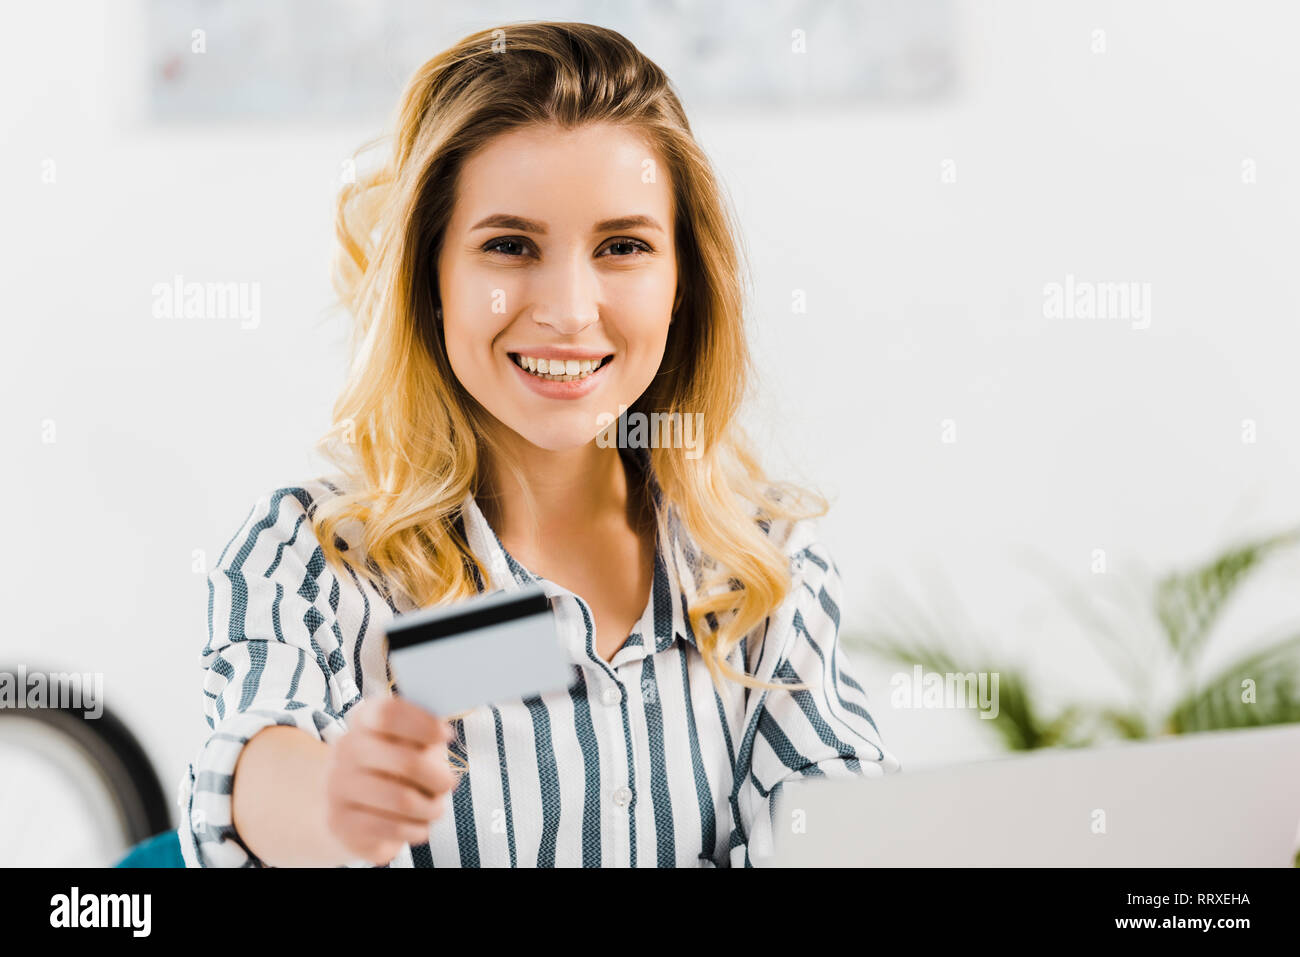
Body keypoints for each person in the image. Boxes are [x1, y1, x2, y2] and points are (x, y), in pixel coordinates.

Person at [177, 20, 900, 869]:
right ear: (430, 280)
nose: (568, 308)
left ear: (682, 285)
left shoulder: (760, 566)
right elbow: (257, 765)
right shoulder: (316, 558)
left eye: (622, 246)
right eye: (509, 246)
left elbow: (843, 831)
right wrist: (336, 801)